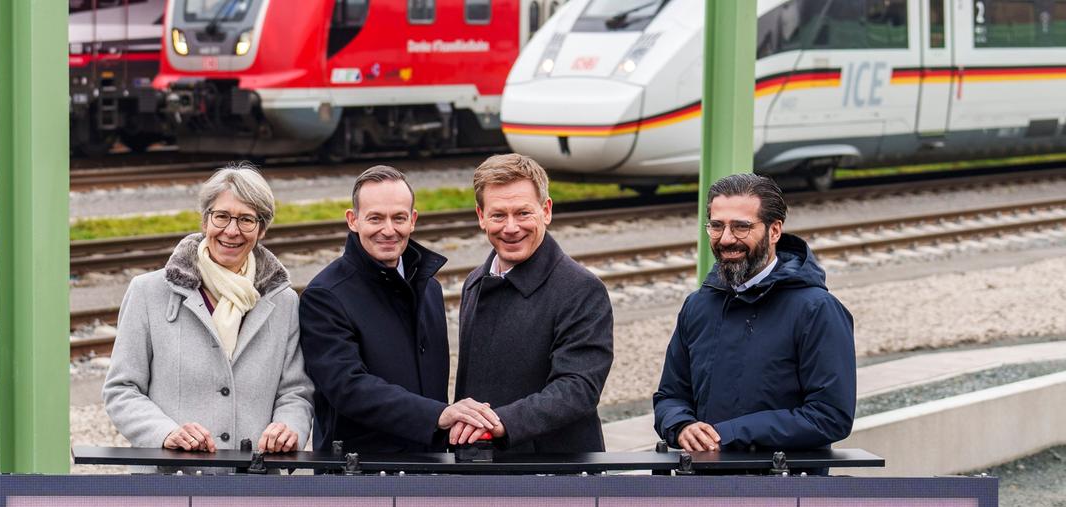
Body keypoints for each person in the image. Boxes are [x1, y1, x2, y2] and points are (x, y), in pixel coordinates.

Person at [104, 163, 313, 457]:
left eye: (246, 220)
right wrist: (165, 433)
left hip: (253, 487)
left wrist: (288, 427)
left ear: (262, 229)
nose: (232, 230)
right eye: (222, 216)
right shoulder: (148, 292)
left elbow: (296, 392)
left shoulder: (283, 302)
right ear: (205, 222)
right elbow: (121, 389)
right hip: (171, 483)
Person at [299, 165, 498, 453]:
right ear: (353, 220)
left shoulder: (430, 288)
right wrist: (437, 416)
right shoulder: (325, 296)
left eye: (399, 218)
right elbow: (348, 387)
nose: (389, 230)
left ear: (413, 220)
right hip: (357, 475)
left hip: (427, 467)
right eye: (376, 218)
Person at [653, 172, 855, 453]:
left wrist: (728, 434)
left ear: (774, 231)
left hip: (784, 490)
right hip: (704, 485)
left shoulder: (817, 309)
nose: (725, 239)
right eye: (716, 226)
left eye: (741, 227)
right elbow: (670, 396)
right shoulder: (697, 305)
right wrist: (682, 425)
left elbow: (830, 416)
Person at [451, 153, 614, 453]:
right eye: (498, 215)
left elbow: (578, 388)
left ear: (546, 210)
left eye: (523, 213)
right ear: (481, 216)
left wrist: (501, 422)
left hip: (553, 470)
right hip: (483, 463)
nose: (511, 227)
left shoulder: (582, 289)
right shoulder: (474, 282)